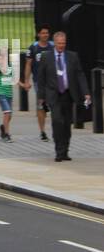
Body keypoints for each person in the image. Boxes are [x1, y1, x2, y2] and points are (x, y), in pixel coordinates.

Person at [36, 31, 91, 162]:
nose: (61, 46)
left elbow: (80, 75)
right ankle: (59, 151)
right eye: (59, 43)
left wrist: (86, 92)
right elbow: (41, 78)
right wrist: (41, 97)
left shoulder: (73, 56)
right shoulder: (46, 57)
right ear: (54, 43)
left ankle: (65, 150)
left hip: (68, 94)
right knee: (57, 121)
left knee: (66, 124)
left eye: (64, 43)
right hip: (53, 94)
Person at [23, 25, 54, 141]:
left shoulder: (53, 46)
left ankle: (56, 129)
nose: (45, 35)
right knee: (41, 106)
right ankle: (42, 131)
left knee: (53, 104)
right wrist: (26, 81)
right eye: (43, 33)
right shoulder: (33, 48)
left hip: (52, 82)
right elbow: (28, 65)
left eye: (47, 33)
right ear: (38, 34)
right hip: (39, 82)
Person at [0, 50, 15, 141]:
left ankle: (3, 127)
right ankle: (6, 134)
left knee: (9, 115)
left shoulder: (10, 66)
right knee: (7, 112)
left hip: (9, 93)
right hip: (0, 93)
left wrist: (24, 85)